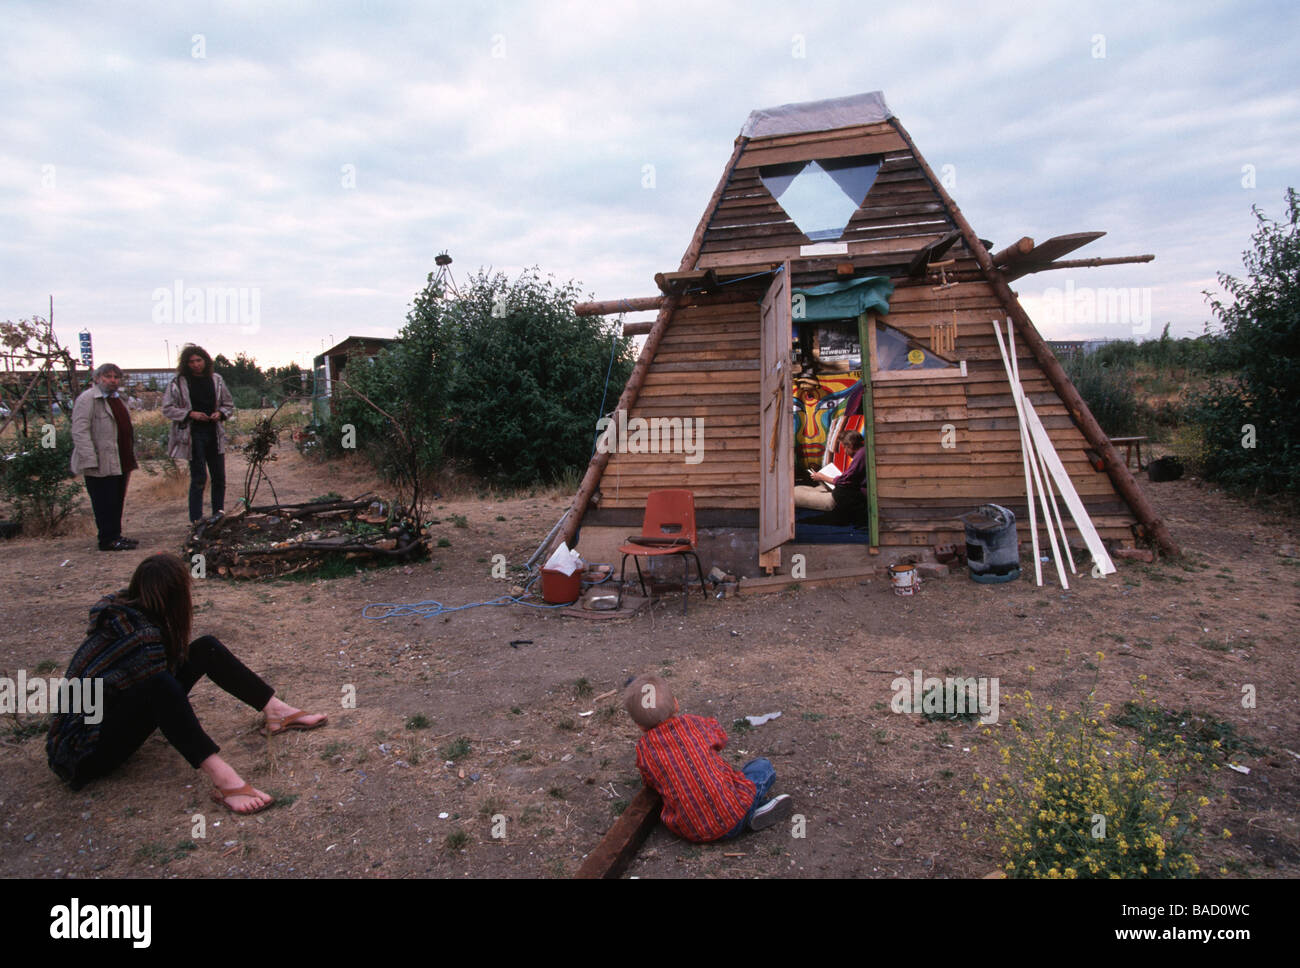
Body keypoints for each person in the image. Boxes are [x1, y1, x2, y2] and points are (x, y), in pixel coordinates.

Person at [46, 554, 326, 814]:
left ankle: (276, 710)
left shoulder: (130, 611)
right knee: (161, 686)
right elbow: (164, 697)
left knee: (206, 649)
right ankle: (224, 778)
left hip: (100, 725)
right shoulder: (138, 636)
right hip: (84, 754)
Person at [623, 674, 792, 842]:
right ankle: (752, 813)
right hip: (732, 814)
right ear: (676, 703)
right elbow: (721, 738)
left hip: (690, 830)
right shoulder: (693, 724)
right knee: (763, 767)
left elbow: (650, 783)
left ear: (639, 725)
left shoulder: (644, 750)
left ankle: (752, 813)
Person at [161, 345, 235, 526]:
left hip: (214, 433)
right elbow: (168, 408)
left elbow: (229, 404)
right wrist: (190, 414)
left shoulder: (216, 380)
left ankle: (218, 516)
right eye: (191, 361)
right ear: (186, 364)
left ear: (206, 361)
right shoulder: (178, 383)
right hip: (193, 435)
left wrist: (221, 414)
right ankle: (196, 521)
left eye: (199, 360)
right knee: (199, 477)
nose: (195, 365)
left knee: (219, 477)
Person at [70, 363, 139, 552]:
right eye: (107, 377)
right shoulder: (88, 399)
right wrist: (89, 459)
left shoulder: (118, 399)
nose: (112, 381)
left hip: (119, 459)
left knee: (116, 500)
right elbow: (80, 430)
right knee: (103, 502)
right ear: (97, 379)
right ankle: (107, 539)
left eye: (116, 377)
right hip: (99, 461)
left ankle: (115, 536)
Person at [805, 430, 868, 526]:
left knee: (840, 492)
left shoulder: (861, 455)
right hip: (862, 489)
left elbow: (844, 481)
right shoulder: (863, 451)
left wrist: (822, 477)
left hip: (864, 493)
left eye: (844, 448)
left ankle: (857, 518)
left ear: (850, 446)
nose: (846, 452)